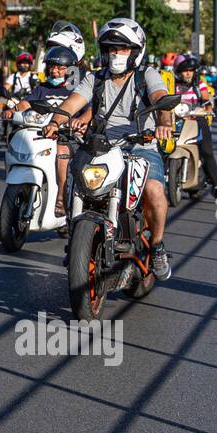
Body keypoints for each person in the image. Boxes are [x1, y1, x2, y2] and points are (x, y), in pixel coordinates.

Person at [43, 17, 174, 279]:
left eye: (122, 48)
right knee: (73, 181)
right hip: (100, 146)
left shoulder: (147, 75)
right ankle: (77, 236)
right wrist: (56, 122)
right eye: (111, 48)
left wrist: (165, 124)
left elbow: (161, 100)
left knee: (154, 189)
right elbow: (71, 103)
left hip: (140, 144)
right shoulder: (95, 78)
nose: (115, 54)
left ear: (135, 52)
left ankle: (157, 245)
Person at [3, 44, 88, 217]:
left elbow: (88, 109)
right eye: (52, 67)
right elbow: (27, 103)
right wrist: (13, 110)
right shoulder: (43, 88)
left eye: (60, 67)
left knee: (62, 151)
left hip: (68, 136)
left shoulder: (78, 89)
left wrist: (81, 121)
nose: (55, 71)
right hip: (43, 133)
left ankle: (61, 198)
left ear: (71, 69)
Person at [171, 54, 217, 197]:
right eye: (184, 70)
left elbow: (206, 99)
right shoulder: (172, 84)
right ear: (178, 71)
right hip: (177, 121)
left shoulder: (199, 83)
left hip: (197, 121)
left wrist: (207, 108)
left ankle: (216, 184)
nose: (188, 73)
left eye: (191, 70)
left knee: (207, 151)